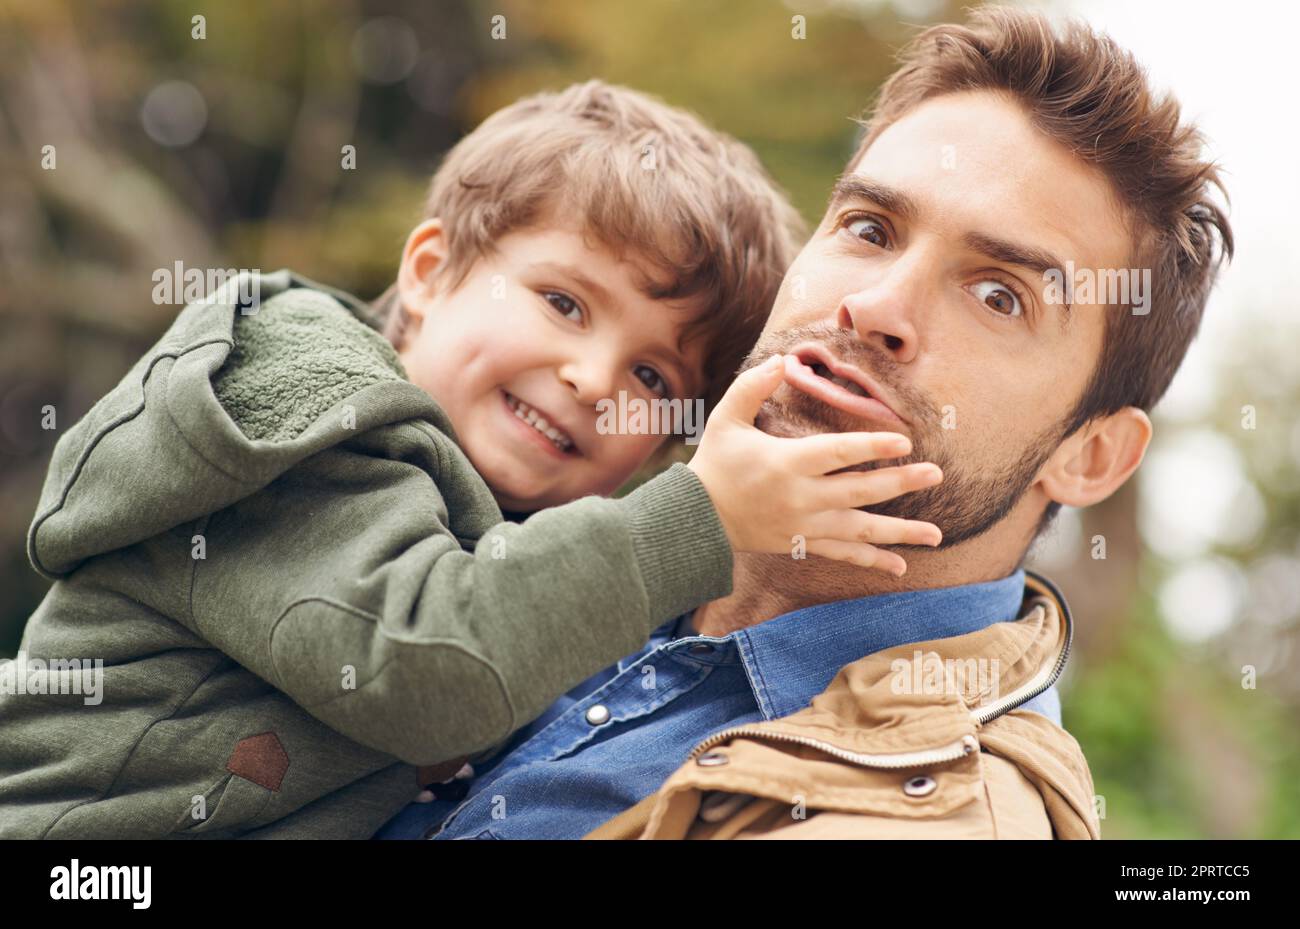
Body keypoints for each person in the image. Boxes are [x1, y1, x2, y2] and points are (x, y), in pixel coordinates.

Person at [375, 6, 1233, 840]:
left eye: (999, 294)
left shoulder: (926, 817)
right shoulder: (536, 507)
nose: (875, 306)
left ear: (1090, 457)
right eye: (870, 227)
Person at [0, 82, 945, 839]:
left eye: (651, 373)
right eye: (564, 303)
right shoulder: (314, 418)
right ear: (428, 271)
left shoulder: (513, 539)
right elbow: (420, 670)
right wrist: (704, 514)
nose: (588, 376)